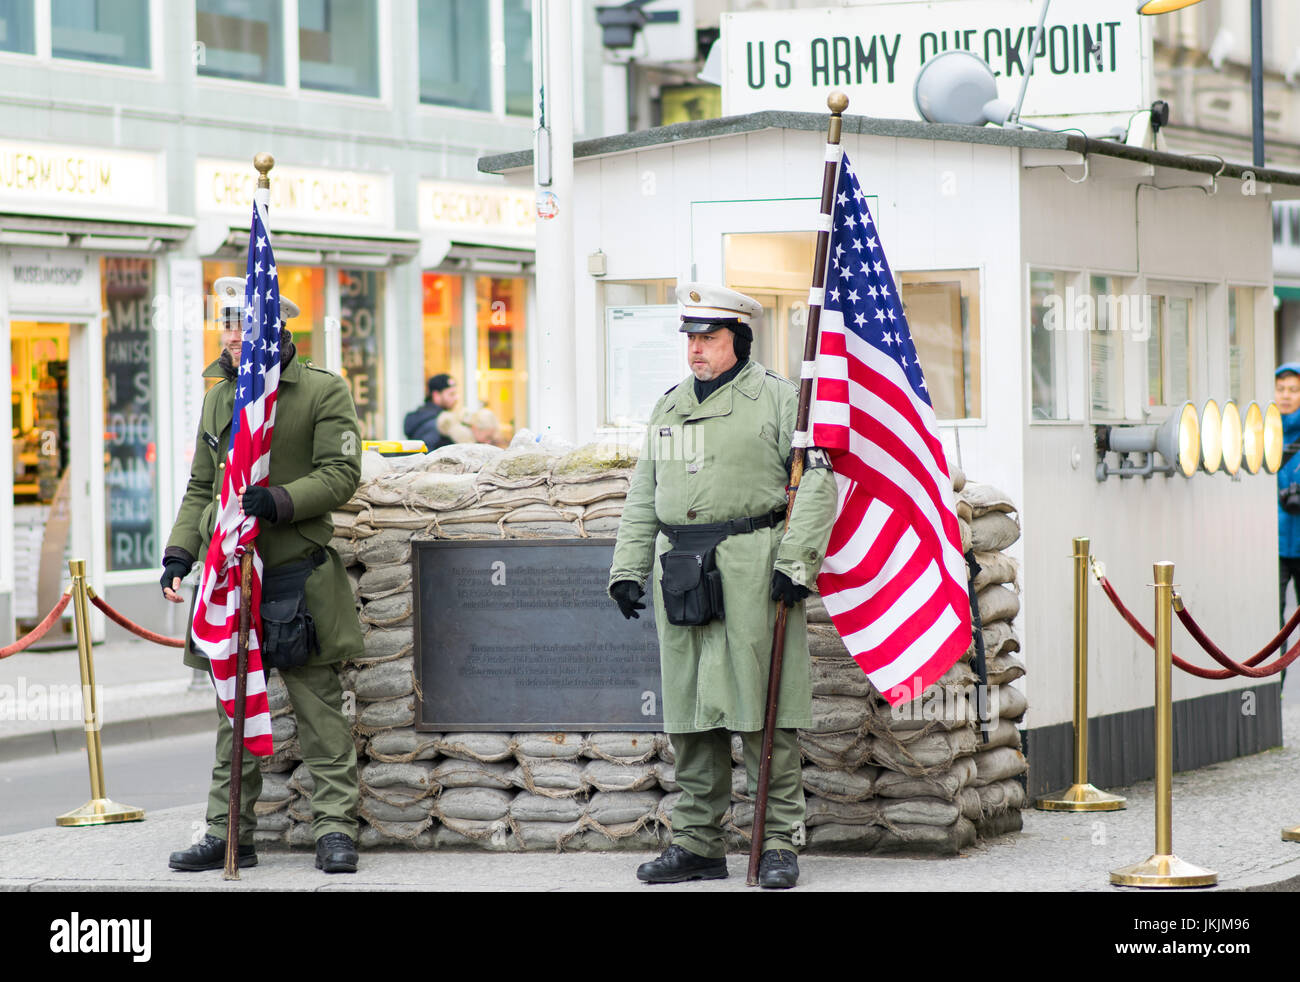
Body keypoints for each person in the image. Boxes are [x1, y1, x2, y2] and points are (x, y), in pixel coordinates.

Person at [607, 283, 837, 889]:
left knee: (766, 710)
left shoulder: (783, 401)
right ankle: (698, 844)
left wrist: (797, 562)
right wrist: (628, 568)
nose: (696, 350)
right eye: (690, 339)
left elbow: (816, 484)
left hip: (752, 565)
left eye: (708, 338)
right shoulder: (672, 407)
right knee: (690, 709)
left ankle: (777, 843)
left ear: (740, 338)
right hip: (681, 568)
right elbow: (644, 495)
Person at [161, 276, 365, 875]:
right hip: (230, 576)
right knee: (234, 713)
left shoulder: (322, 391)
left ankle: (334, 831)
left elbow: (340, 473)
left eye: (242, 323)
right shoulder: (220, 398)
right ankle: (229, 835)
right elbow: (204, 485)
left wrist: (279, 499)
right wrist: (181, 552)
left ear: (275, 324)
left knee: (320, 714)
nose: (230, 335)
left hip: (295, 577)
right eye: (224, 325)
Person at [1275, 363, 1300, 690]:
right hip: (1275, 545)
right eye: (1281, 389)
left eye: (1293, 390)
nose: (1286, 395)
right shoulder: (1260, 433)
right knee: (1274, 623)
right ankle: (1273, 690)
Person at [404, 373, 459, 451]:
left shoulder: (425, 416)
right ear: (436, 395)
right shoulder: (435, 423)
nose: (456, 398)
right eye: (451, 394)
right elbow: (427, 457)